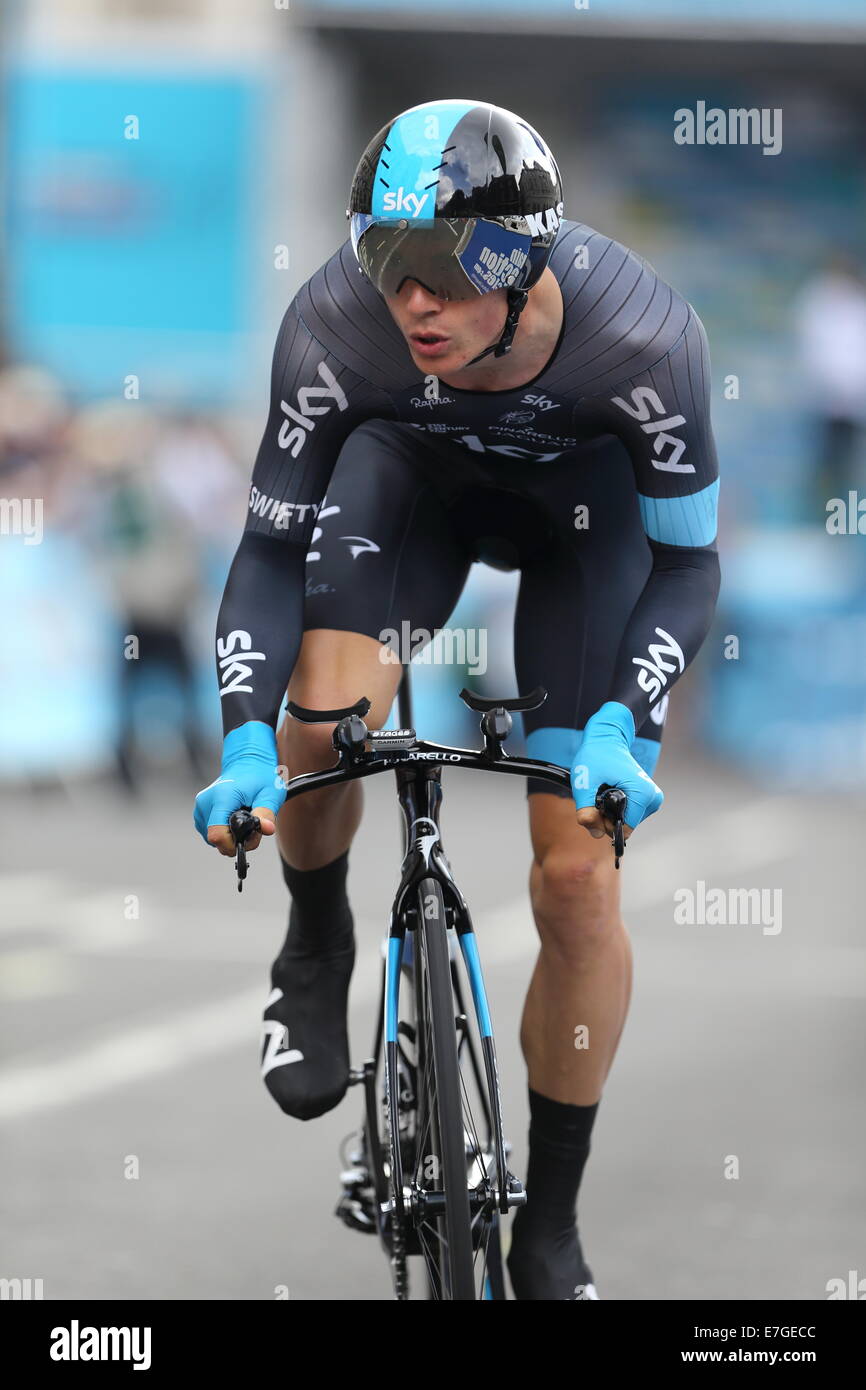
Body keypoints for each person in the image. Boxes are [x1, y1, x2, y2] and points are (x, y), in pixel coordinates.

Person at [194, 100, 721, 1300]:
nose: (409, 301)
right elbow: (267, 555)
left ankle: (550, 1221)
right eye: (386, 263)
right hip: (408, 494)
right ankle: (316, 941)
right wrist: (240, 741)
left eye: (436, 268)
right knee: (322, 714)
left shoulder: (643, 340)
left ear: (518, 254)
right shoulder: (336, 325)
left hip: (584, 529)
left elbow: (688, 565)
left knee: (578, 872)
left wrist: (617, 724)